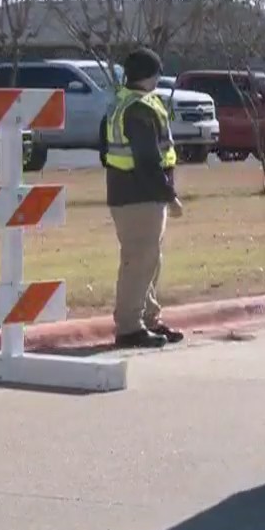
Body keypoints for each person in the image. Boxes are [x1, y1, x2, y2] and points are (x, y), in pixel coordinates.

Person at [101, 47, 184, 349]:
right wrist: (169, 195)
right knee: (139, 261)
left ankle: (148, 319)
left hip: (128, 193)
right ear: (150, 75)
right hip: (139, 197)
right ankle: (128, 327)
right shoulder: (139, 109)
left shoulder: (122, 104)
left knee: (149, 260)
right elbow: (148, 159)